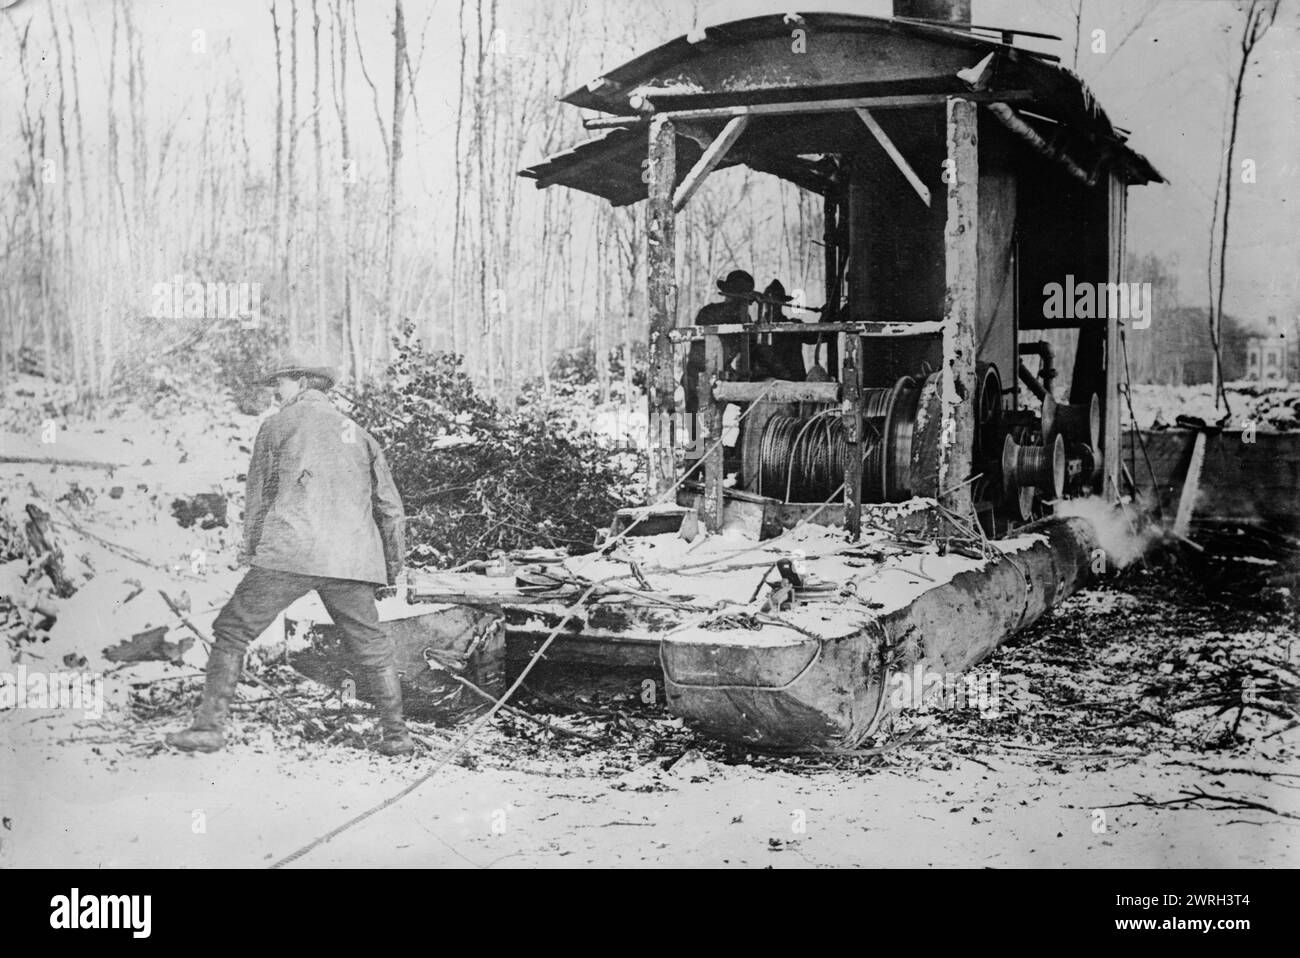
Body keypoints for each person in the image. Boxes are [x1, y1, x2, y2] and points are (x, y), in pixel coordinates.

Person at [165, 351, 414, 756]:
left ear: (301, 382)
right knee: (372, 646)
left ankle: (209, 727)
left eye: (279, 382)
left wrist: (251, 551)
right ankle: (397, 736)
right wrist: (390, 570)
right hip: (350, 562)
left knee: (232, 631)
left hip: (289, 554)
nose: (275, 391)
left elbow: (260, 496)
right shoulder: (360, 434)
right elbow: (391, 510)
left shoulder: (277, 426)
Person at [683, 269, 754, 413]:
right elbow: (706, 354)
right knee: (701, 424)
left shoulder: (710, 311)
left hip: (705, 375)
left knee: (701, 426)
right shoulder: (715, 313)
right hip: (700, 375)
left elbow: (745, 351)